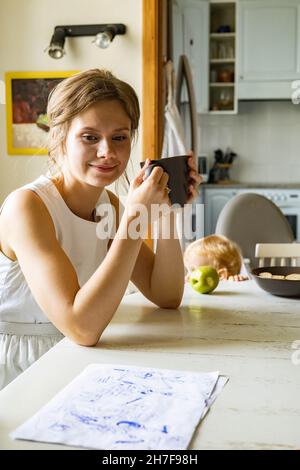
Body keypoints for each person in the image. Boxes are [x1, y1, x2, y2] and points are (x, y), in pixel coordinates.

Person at [0, 69, 201, 390]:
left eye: (119, 137)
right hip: (23, 369)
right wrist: (135, 217)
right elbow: (81, 327)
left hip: (78, 359)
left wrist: (165, 210)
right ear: (58, 137)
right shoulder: (27, 206)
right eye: (90, 137)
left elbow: (165, 295)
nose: (107, 151)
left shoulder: (109, 205)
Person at [184, 234, 248, 282]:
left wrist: (238, 282)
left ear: (220, 276)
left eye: (193, 271)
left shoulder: (233, 285)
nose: (186, 277)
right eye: (188, 271)